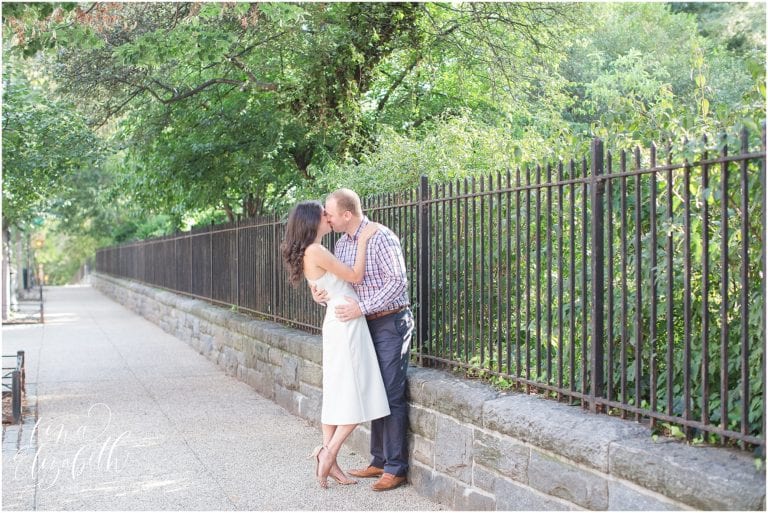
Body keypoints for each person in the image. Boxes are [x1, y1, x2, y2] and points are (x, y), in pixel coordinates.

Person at [280, 200, 390, 489]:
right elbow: (354, 276)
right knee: (359, 390)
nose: (328, 217)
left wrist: (317, 291)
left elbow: (320, 284)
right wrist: (364, 241)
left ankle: (327, 458)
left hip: (337, 319)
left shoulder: (309, 251)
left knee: (338, 391)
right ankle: (328, 453)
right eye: (323, 214)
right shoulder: (316, 250)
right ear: (312, 222)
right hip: (346, 321)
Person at [311, 188, 414, 492]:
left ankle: (395, 468)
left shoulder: (380, 236)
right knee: (372, 389)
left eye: (329, 212)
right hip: (359, 325)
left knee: (391, 393)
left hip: (389, 321)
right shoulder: (341, 244)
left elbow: (397, 283)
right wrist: (321, 294)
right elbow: (342, 283)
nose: (326, 217)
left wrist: (362, 307)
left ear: (347, 214)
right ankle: (378, 460)